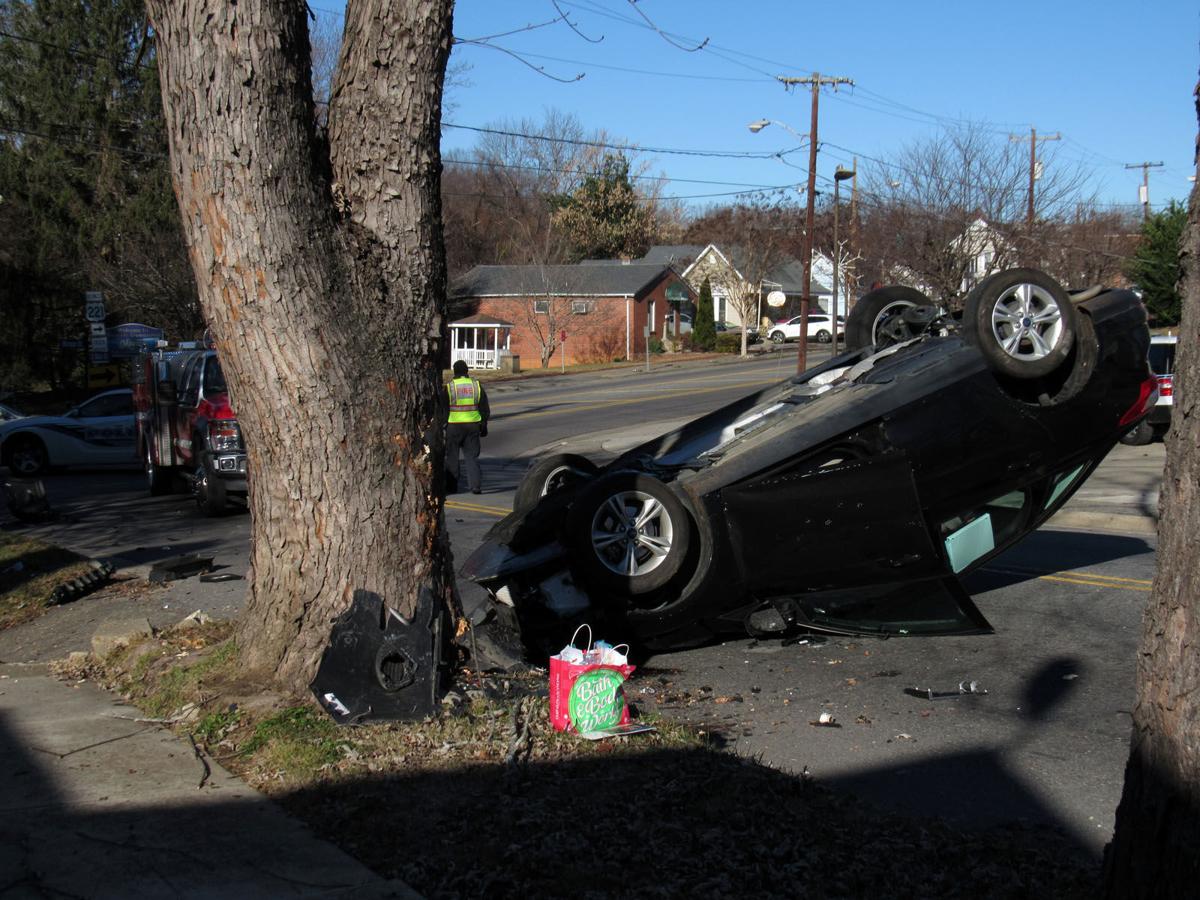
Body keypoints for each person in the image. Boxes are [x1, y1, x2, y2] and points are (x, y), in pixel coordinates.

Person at [444, 359, 489, 494]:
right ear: (467, 371)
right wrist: (484, 424)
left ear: (455, 371)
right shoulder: (476, 386)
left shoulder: (449, 387)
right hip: (472, 426)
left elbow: (443, 408)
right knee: (472, 457)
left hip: (454, 426)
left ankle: (452, 487)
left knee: (452, 458)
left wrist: (443, 424)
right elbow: (484, 408)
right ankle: (475, 486)